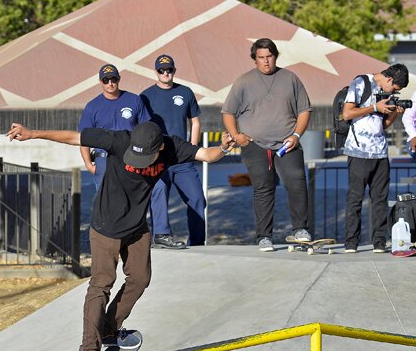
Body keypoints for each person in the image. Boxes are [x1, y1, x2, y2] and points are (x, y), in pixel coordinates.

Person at [6, 120, 234, 351]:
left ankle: (110, 329)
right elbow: (74, 136)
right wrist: (33, 132)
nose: (138, 162)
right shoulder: (118, 140)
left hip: (137, 227)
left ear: (160, 148)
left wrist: (224, 148)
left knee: (140, 279)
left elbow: (206, 154)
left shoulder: (172, 146)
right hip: (105, 228)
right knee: (101, 284)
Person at [222, 38, 313, 251]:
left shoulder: (290, 78)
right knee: (264, 187)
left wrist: (297, 135)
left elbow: (304, 110)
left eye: (269, 57)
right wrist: (237, 135)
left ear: (275, 56)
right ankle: (264, 236)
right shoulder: (243, 82)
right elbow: (228, 112)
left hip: (286, 142)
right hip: (255, 143)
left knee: (297, 182)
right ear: (254, 59)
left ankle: (300, 229)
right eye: (261, 58)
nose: (266, 62)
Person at [341, 63, 409, 253]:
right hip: (358, 151)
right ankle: (351, 243)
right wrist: (374, 106)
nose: (394, 91)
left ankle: (379, 242)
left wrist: (394, 110)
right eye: (395, 88)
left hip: (380, 152)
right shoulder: (361, 83)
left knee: (380, 199)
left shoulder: (385, 92)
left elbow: (383, 124)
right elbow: (347, 113)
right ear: (389, 79)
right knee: (355, 199)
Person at [140, 54, 206, 248]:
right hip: (157, 158)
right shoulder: (145, 96)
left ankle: (197, 242)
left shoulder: (185, 92)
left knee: (197, 199)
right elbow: (141, 127)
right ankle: (161, 235)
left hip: (181, 158)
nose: (165, 73)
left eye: (169, 69)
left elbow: (195, 121)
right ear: (156, 72)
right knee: (159, 192)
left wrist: (192, 149)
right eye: (161, 70)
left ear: (174, 71)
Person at [78, 64, 150, 190]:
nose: (110, 83)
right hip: (104, 162)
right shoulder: (92, 107)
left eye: (113, 79)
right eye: (106, 80)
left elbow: (147, 130)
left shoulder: (135, 100)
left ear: (119, 79)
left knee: (131, 202)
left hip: (131, 159)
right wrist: (89, 164)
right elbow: (83, 139)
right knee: (105, 205)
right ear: (101, 81)